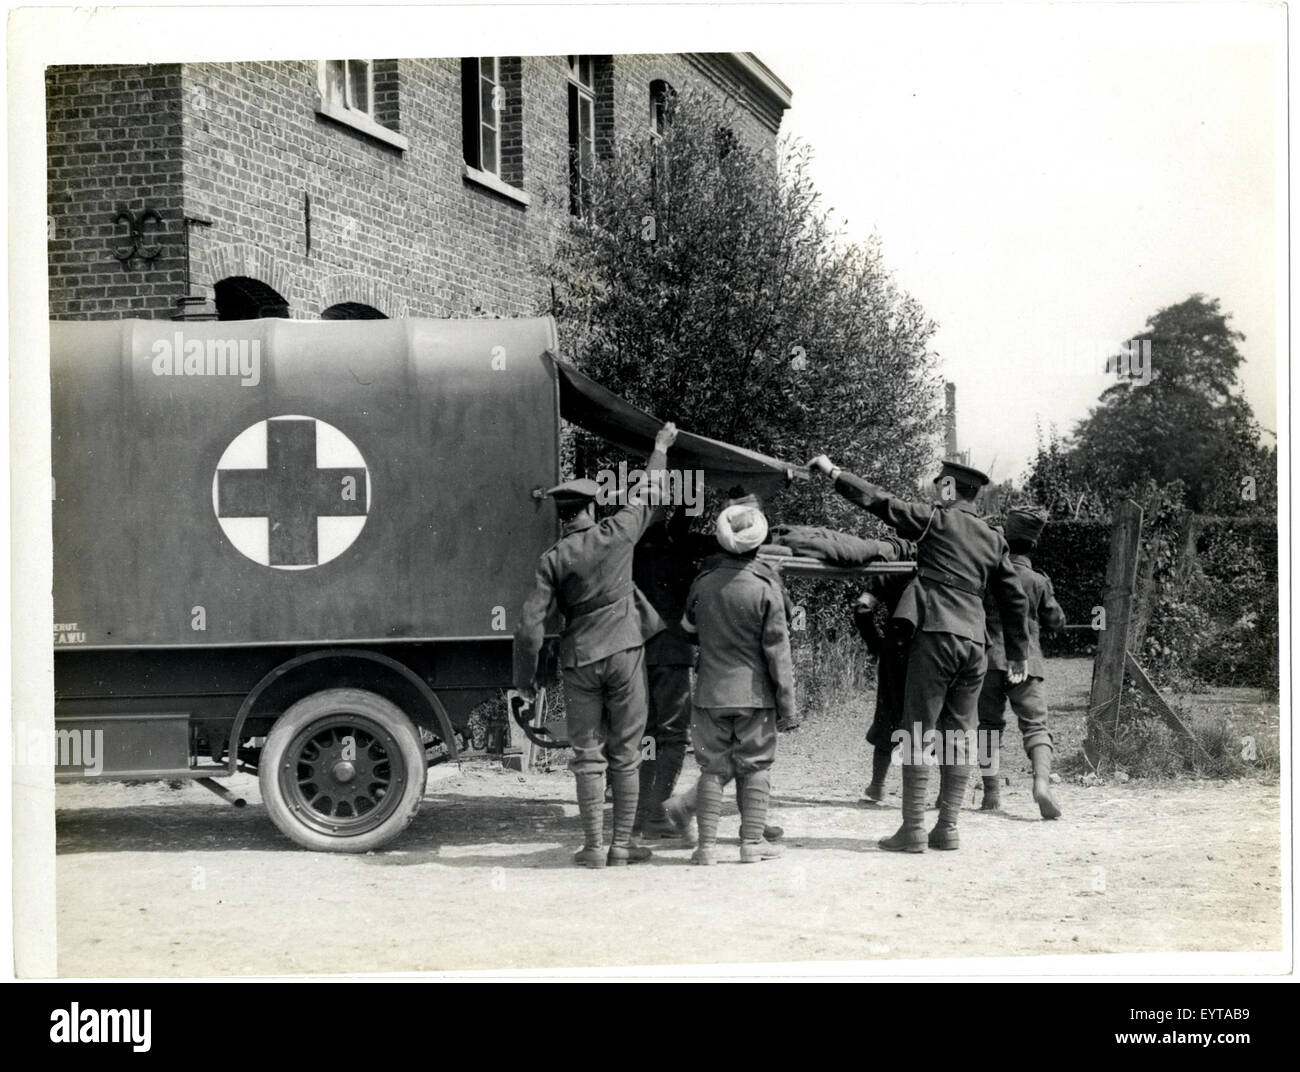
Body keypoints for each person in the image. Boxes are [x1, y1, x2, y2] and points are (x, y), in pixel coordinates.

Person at [808, 455, 1030, 853]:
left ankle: (912, 829)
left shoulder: (935, 520)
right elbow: (1014, 598)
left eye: (939, 484)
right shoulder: (995, 538)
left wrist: (833, 472)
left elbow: (878, 500)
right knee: (960, 734)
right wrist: (1018, 654)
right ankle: (947, 828)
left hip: (936, 636)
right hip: (976, 644)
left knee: (917, 730)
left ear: (948, 488)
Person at [513, 422, 678, 868]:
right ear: (591, 506)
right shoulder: (618, 532)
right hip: (625, 652)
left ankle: (591, 848)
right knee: (627, 752)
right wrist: (660, 448)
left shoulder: (552, 559)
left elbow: (530, 626)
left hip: (579, 659)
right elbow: (648, 491)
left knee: (587, 757)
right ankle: (622, 846)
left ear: (562, 515)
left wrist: (524, 682)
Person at [679, 502, 795, 865]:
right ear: (758, 542)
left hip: (710, 691)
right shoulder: (766, 588)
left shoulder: (702, 583)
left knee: (712, 767)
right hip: (755, 694)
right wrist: (787, 705)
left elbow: (689, 631)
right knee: (755, 765)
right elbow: (779, 653)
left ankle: (707, 848)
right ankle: (751, 844)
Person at [977, 507, 1066, 818]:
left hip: (987, 660)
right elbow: (1055, 621)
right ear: (1034, 545)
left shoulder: (987, 574)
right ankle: (1041, 785)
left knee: (988, 727)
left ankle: (990, 795)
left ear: (1005, 539)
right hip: (1026, 664)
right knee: (1036, 727)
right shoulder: (1038, 581)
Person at [630, 506, 709, 844]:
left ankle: (638, 815)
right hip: (673, 652)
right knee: (673, 737)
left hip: (636, 652)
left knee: (645, 736)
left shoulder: (629, 551)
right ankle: (657, 813)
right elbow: (693, 604)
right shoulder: (679, 554)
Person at [850, 535, 917, 804]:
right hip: (934, 649)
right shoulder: (944, 559)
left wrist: (877, 644)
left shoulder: (890, 567)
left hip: (896, 650)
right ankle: (935, 796)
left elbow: (862, 608)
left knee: (889, 714)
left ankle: (877, 785)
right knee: (932, 716)